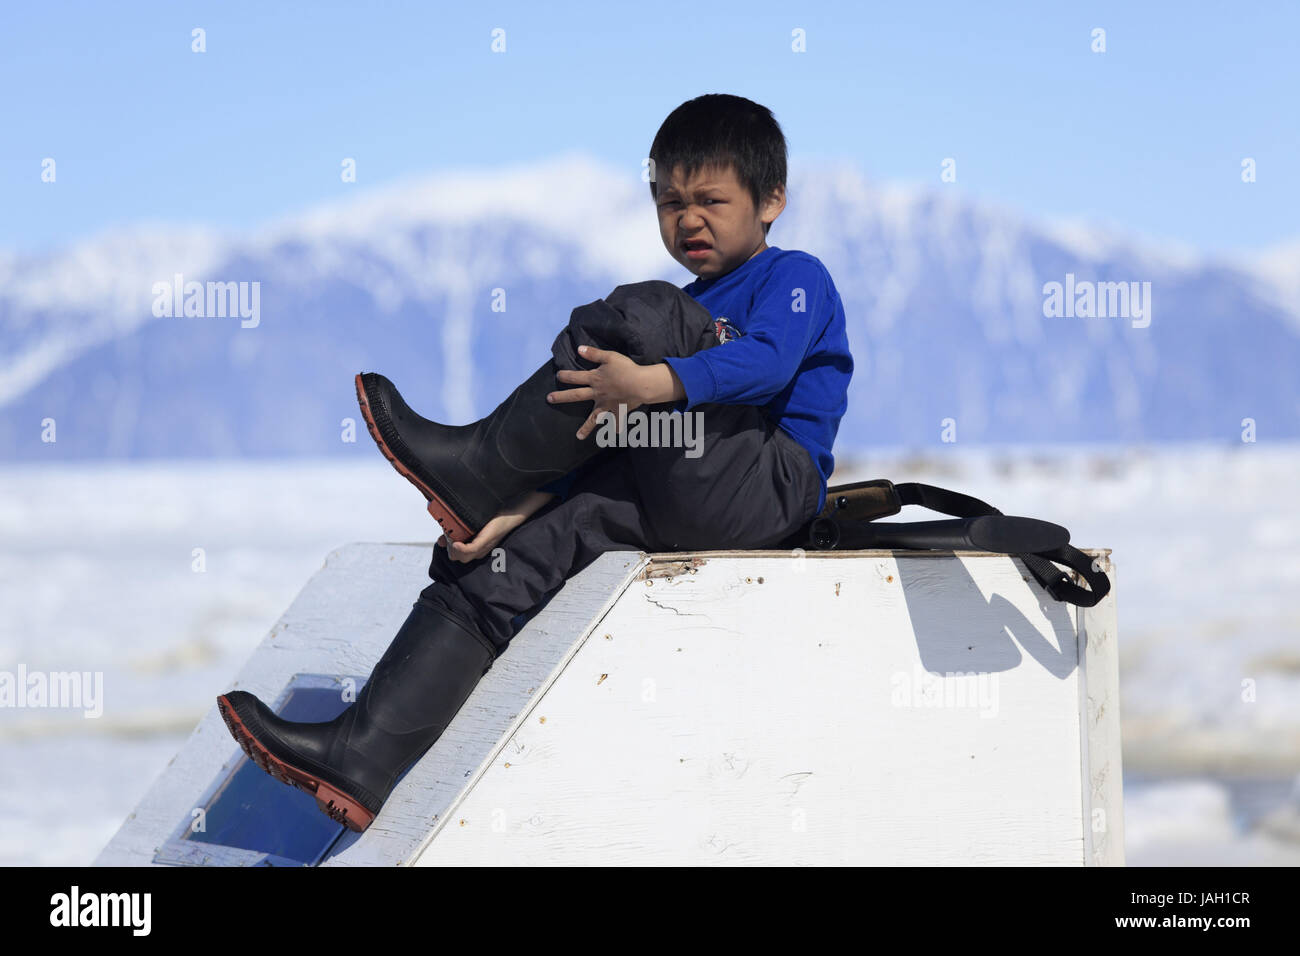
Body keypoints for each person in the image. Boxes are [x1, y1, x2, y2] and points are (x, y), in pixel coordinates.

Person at [216, 93, 855, 832]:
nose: (689, 220)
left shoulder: (795, 278)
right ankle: (362, 756)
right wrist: (509, 515)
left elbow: (770, 365)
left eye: (711, 199)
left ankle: (483, 461)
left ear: (772, 198)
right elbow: (609, 437)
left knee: (641, 319)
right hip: (679, 478)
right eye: (669, 201)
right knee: (497, 567)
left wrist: (648, 380)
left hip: (768, 487)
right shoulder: (686, 313)